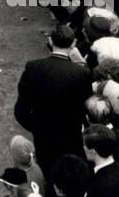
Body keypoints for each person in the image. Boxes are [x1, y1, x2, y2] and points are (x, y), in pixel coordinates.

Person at [13, 24, 93, 179]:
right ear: (73, 44)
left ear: (50, 41)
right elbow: (86, 108)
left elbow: (20, 111)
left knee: (46, 174)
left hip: (44, 136)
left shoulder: (33, 68)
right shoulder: (81, 73)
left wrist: (36, 126)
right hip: (72, 135)